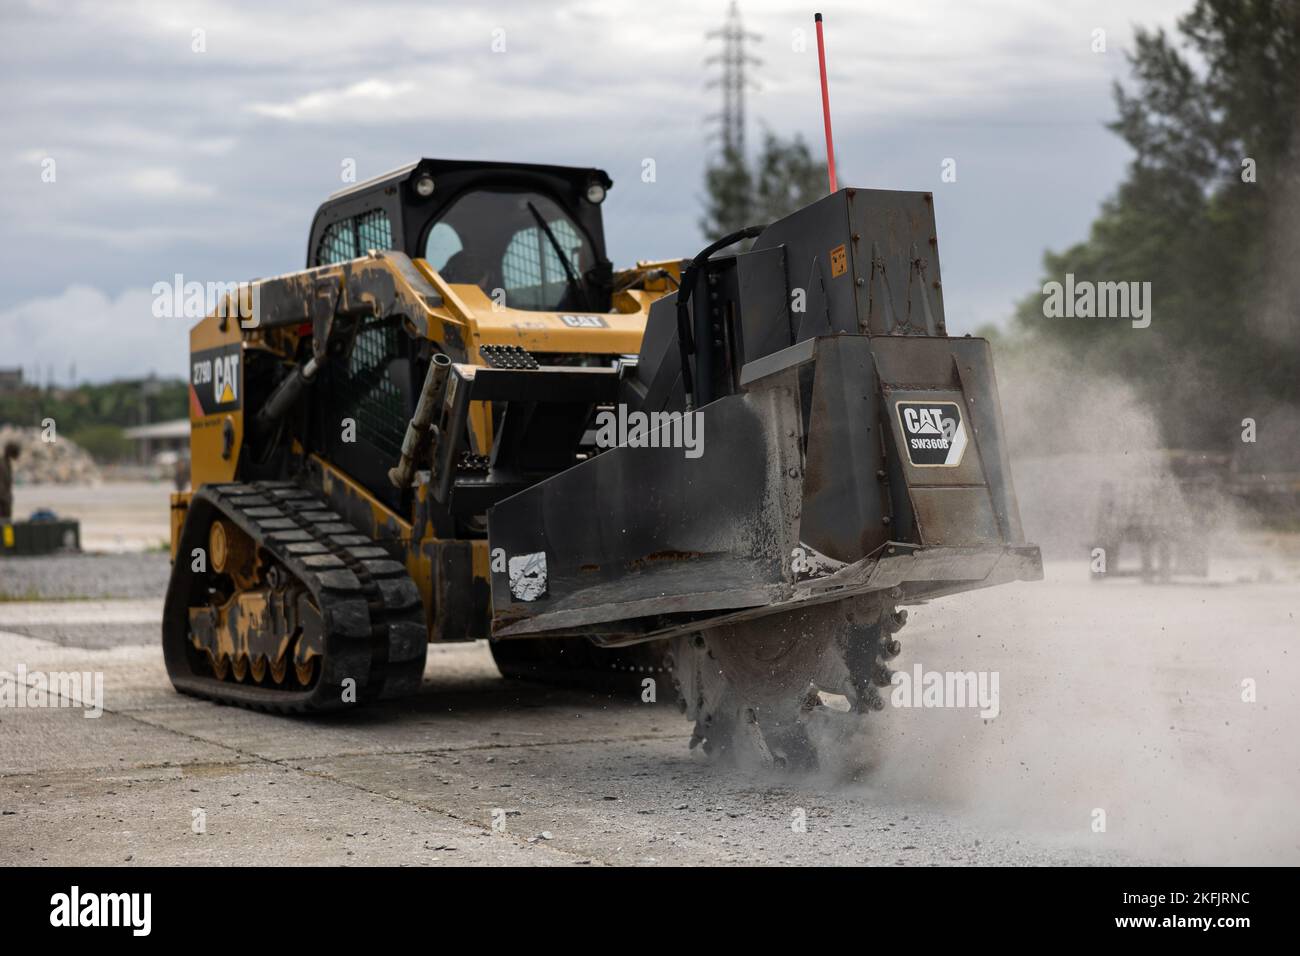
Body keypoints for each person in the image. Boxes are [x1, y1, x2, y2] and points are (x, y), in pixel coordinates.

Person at [0, 441, 20, 520]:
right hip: (3, 502)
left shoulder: (6, 463)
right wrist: (6, 500)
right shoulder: (2, 464)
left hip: (5, 501)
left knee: (7, 526)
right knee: (5, 525)